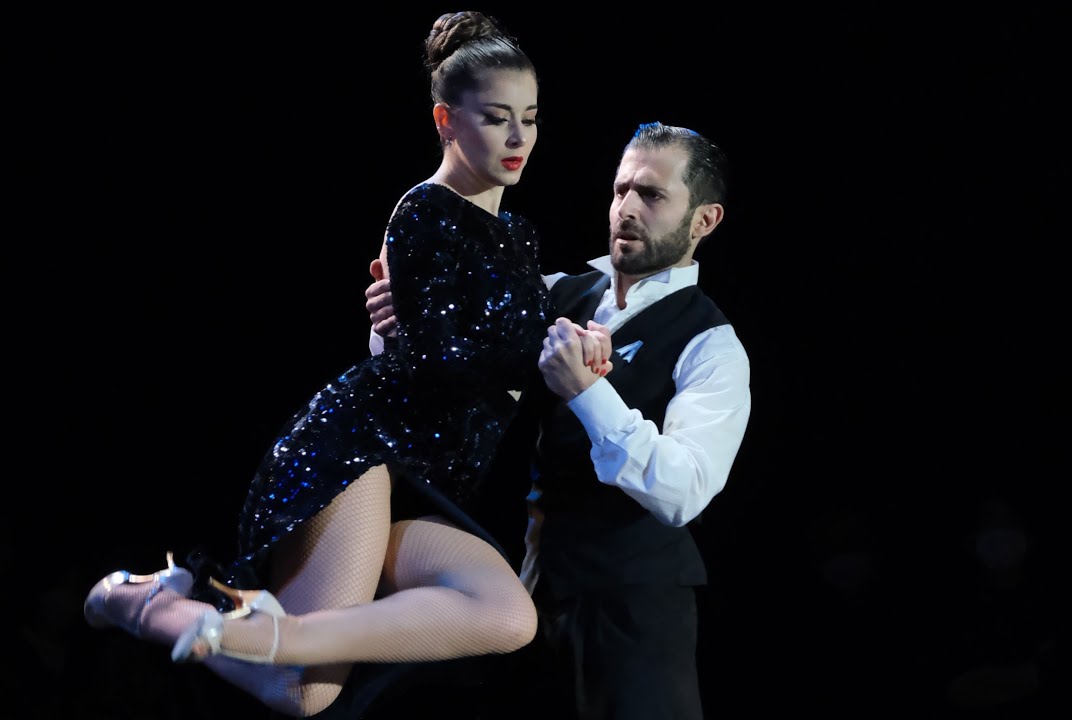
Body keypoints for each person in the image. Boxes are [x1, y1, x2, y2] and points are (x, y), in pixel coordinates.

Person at [81, 11, 612, 718]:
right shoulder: (425, 211)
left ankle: (242, 618)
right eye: (496, 117)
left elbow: (482, 349)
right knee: (306, 693)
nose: (519, 139)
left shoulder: (517, 233)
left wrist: (566, 347)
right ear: (446, 120)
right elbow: (440, 359)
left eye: (531, 119)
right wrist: (553, 349)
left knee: (509, 616)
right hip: (359, 454)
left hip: (426, 482)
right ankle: (144, 601)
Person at [365, 121, 752, 719]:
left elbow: (684, 490)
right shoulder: (557, 296)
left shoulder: (712, 345)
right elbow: (443, 378)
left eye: (651, 195)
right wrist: (400, 324)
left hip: (634, 616)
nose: (626, 208)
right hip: (532, 595)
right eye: (621, 190)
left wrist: (587, 394)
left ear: (705, 220)